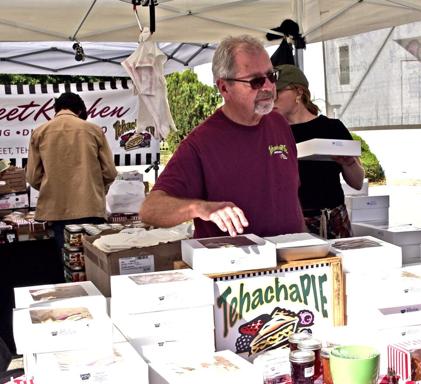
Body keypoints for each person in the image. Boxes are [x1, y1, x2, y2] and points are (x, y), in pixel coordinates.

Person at [139, 35, 304, 238]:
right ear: (224, 87)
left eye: (271, 76)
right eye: (256, 81)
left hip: (291, 261)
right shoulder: (200, 143)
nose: (268, 87)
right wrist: (199, 208)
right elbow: (150, 209)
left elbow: (291, 199)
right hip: (235, 264)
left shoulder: (279, 123)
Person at [273, 64, 364, 239]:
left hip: (334, 218)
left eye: (276, 94)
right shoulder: (272, 133)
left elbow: (357, 182)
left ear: (298, 92)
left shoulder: (332, 128)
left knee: (341, 267)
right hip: (293, 222)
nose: (271, 100)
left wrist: (349, 162)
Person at [26, 92, 117, 251]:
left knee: (69, 261)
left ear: (56, 109)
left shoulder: (39, 132)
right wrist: (96, 188)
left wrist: (51, 186)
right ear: (80, 111)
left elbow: (32, 177)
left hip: (57, 209)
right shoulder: (94, 130)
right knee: (94, 259)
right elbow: (109, 172)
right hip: (91, 207)